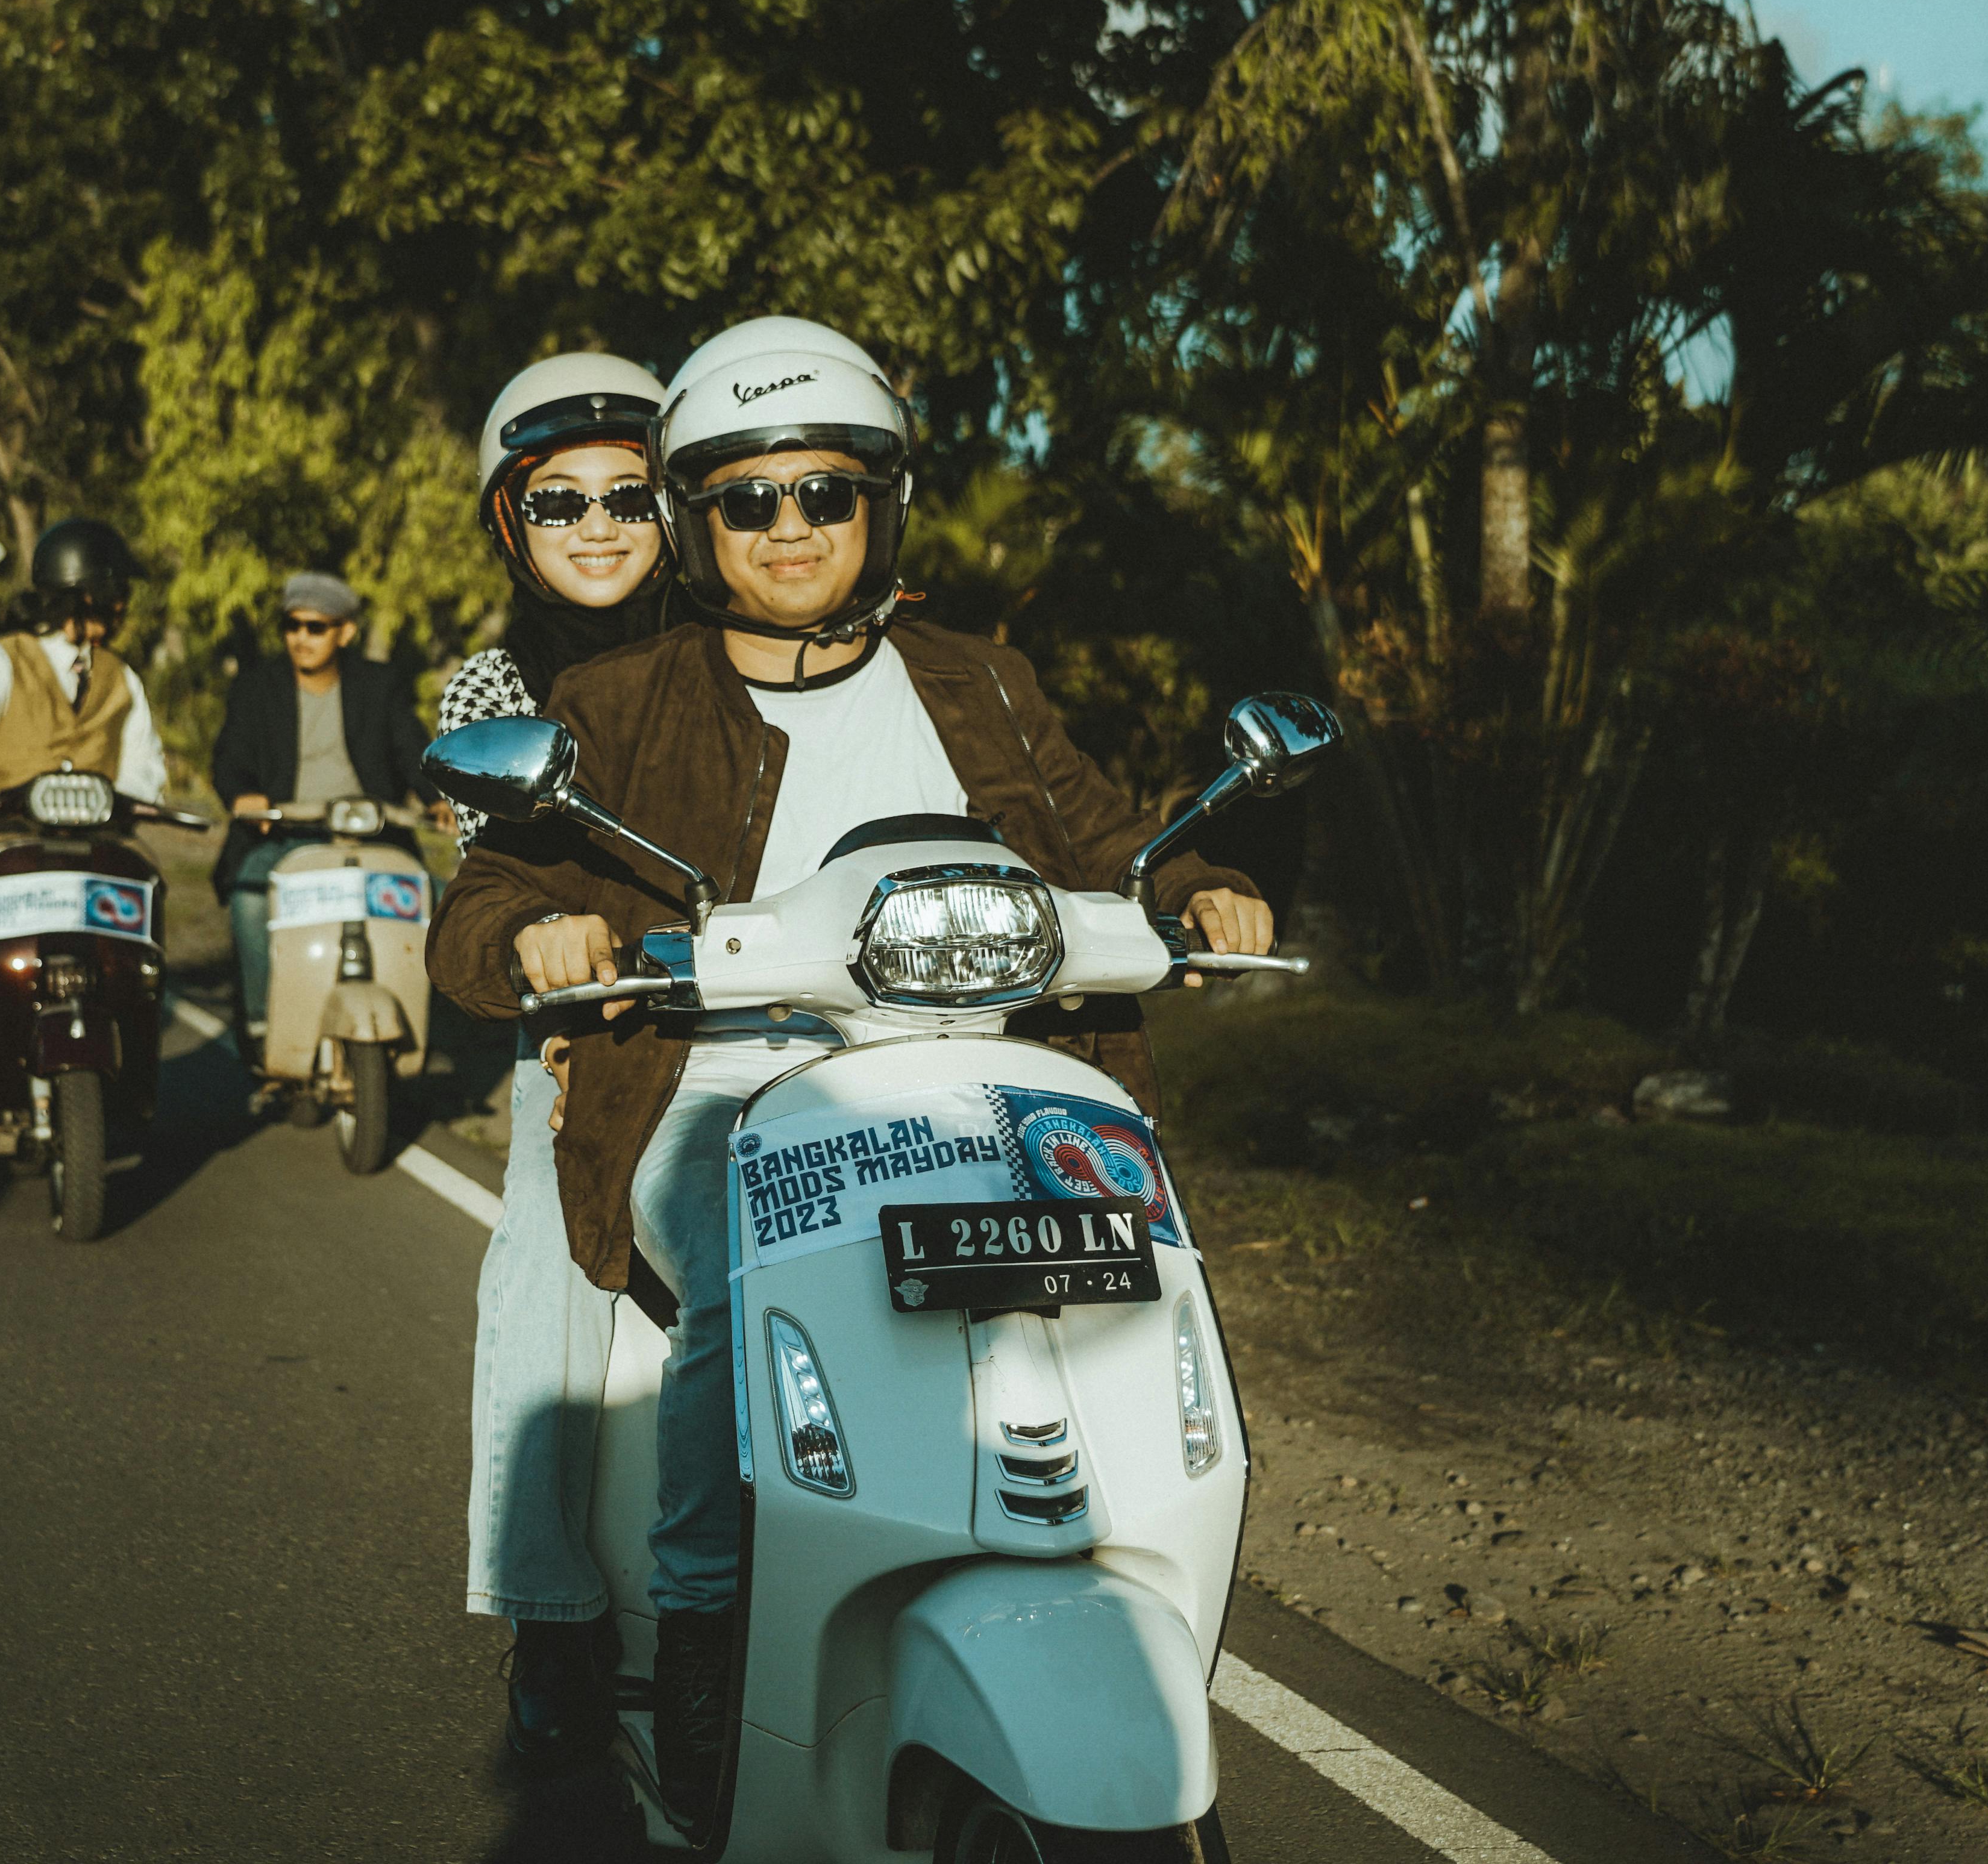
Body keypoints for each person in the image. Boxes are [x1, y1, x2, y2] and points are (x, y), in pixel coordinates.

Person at [430, 318, 1277, 1824]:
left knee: (1131, 1252)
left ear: (880, 501)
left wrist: (1201, 879)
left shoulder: (980, 679)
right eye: (749, 499)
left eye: (825, 491)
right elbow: (480, 903)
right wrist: (544, 930)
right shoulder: (617, 707)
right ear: (699, 521)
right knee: (740, 1264)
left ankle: (1123, 1566)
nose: (792, 528)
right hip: (723, 1093)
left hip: (987, 1083)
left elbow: (1106, 837)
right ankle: (700, 1623)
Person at [440, 352, 680, 1762]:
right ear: (510, 521)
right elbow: (496, 871)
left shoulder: (745, 640)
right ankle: (550, 1602)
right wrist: (547, 933)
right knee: (542, 1252)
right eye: (558, 501)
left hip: (787, 1020)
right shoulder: (494, 679)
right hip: (592, 1039)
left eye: (629, 495)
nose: (596, 525)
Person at [0, 517, 171, 975]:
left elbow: (144, 765)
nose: (124, 605)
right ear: (88, 594)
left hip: (98, 842)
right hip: (5, 836)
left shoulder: (122, 678)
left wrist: (135, 801)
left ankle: (134, 1010)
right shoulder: (0, 662)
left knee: (147, 883)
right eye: (118, 592)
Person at [207, 571, 434, 1042]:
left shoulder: (379, 685)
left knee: (436, 898)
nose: (301, 639)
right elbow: (230, 757)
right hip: (287, 837)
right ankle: (262, 1021)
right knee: (250, 897)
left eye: (316, 627)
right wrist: (244, 795)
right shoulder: (257, 687)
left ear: (345, 632)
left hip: (374, 836)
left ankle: (425, 1016)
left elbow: (412, 749)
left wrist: (438, 799)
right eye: (292, 626)